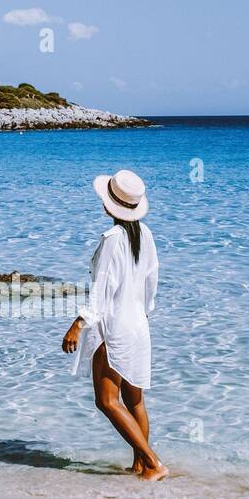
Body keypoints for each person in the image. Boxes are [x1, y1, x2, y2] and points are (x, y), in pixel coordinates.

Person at [61, 169, 167, 481]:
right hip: (139, 325)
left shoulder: (112, 240)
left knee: (107, 400)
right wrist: (144, 313)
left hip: (117, 328)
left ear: (110, 205)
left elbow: (102, 289)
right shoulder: (145, 234)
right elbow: (151, 281)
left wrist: (79, 324)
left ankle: (153, 463)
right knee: (135, 401)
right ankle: (139, 467)